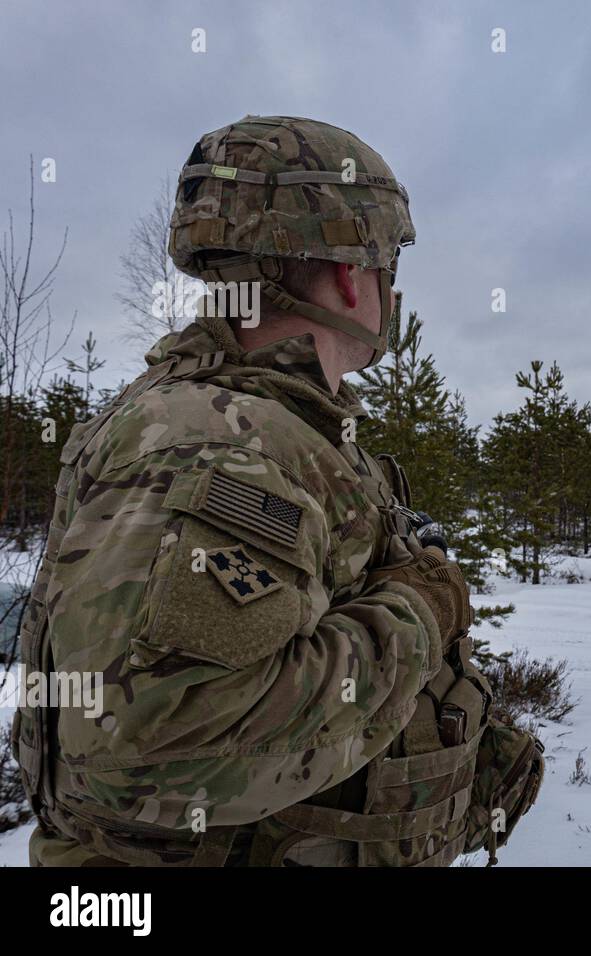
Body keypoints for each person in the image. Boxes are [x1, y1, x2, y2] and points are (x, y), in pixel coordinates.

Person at [12, 115, 543, 866]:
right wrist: (418, 613)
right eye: (388, 263)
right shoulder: (218, 440)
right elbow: (159, 748)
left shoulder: (257, 424)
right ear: (352, 273)